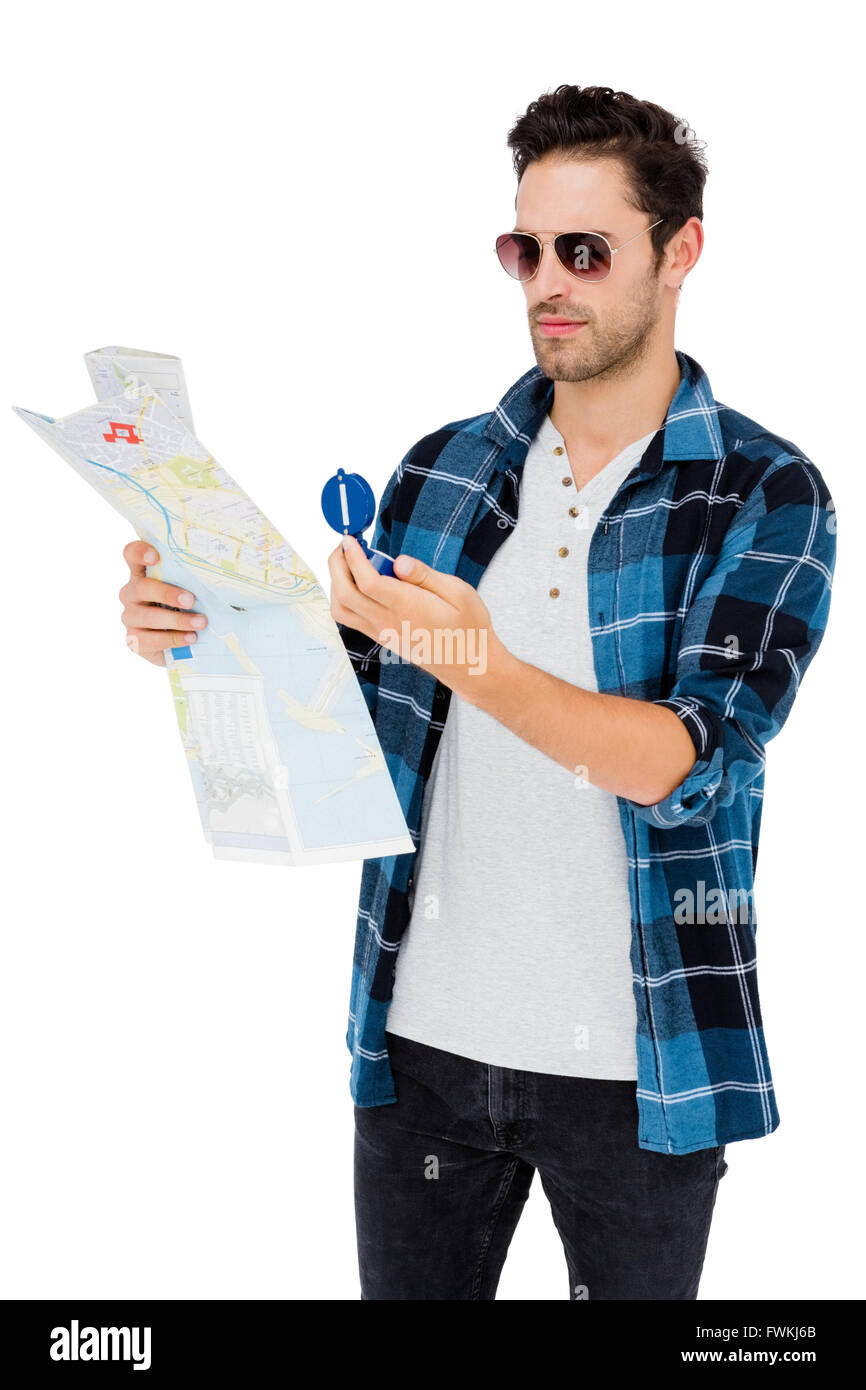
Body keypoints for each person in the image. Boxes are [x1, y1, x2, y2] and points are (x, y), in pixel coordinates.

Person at [118, 84, 836, 1300]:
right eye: (525, 249)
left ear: (679, 253)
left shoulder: (767, 494)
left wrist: (483, 665)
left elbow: (684, 757)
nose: (546, 281)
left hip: (639, 1076)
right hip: (421, 1059)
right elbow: (343, 727)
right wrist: (197, 633)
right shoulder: (442, 470)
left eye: (585, 250)